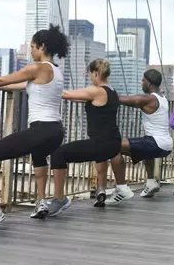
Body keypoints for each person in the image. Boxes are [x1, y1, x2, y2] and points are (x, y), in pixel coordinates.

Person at [0, 24, 68, 229]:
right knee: (39, 155)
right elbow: (21, 85)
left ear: (41, 46)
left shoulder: (37, 68)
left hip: (41, 129)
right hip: (56, 131)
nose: (31, 52)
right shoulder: (56, 72)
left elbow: (0, 79)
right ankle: (41, 201)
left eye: (33, 47)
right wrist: (1, 85)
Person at [39, 59, 122, 217]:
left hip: (102, 144)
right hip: (113, 143)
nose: (90, 77)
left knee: (58, 154)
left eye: (90, 74)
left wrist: (42, 86)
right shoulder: (112, 92)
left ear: (95, 73)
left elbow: (66, 94)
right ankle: (101, 189)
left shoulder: (96, 90)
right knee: (99, 156)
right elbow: (78, 98)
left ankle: (59, 199)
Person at [105, 69, 173, 205]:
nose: (141, 82)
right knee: (145, 146)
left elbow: (123, 100)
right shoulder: (163, 98)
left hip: (156, 143)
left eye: (143, 80)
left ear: (148, 83)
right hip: (166, 144)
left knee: (113, 147)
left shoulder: (149, 99)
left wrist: (104, 89)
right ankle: (151, 182)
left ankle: (122, 188)